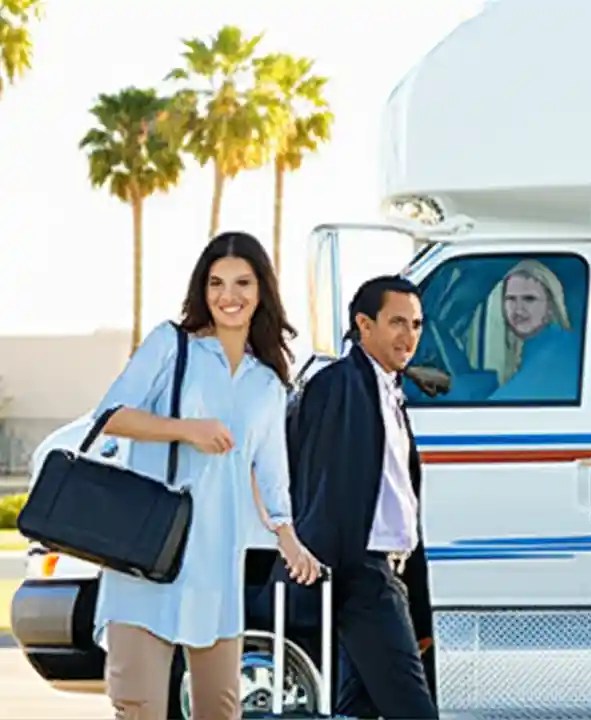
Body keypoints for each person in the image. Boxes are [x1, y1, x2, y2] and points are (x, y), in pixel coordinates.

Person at [92, 231, 322, 720]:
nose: (228, 296)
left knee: (221, 709)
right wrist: (186, 430)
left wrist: (288, 536)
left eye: (242, 282)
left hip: (216, 562)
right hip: (146, 555)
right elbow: (110, 415)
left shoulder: (267, 381)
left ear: (262, 291)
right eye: (216, 282)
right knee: (141, 709)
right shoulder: (170, 346)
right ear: (203, 288)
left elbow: (271, 467)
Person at [286, 275, 439, 719]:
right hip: (362, 578)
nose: (408, 336)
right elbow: (318, 486)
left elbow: (403, 504)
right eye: (396, 322)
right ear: (364, 324)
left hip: (389, 575)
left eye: (415, 324)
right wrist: (324, 587)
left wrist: (418, 605)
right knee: (414, 711)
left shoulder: (391, 392)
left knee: (357, 709)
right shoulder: (339, 385)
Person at [488, 259, 581, 402]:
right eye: (511, 299)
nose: (518, 309)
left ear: (550, 306)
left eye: (529, 299)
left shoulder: (559, 351)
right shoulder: (536, 347)